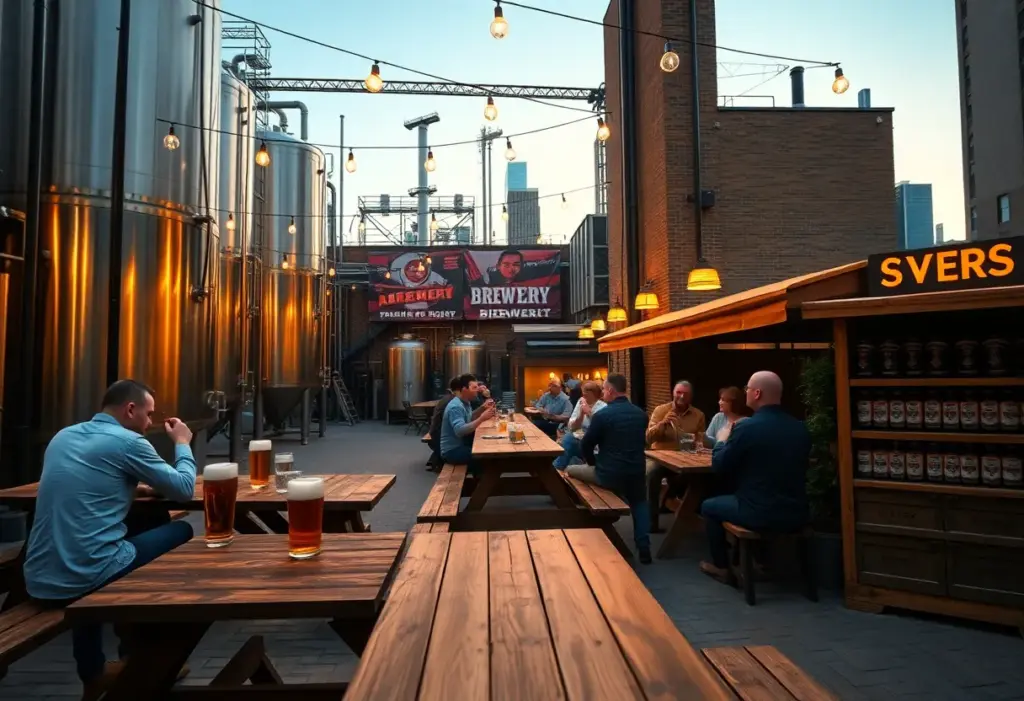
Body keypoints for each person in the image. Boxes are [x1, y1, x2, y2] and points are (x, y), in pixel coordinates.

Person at [24, 380, 197, 699]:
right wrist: (183, 443)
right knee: (181, 530)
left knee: (116, 534)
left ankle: (96, 671)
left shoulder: (63, 436)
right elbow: (185, 489)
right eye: (148, 415)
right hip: (83, 577)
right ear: (130, 410)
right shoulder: (130, 442)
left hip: (38, 577)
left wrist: (138, 489)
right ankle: (144, 656)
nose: (149, 424)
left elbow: (91, 489)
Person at [699, 371, 811, 582]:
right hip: (796, 512)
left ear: (757, 393)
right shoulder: (800, 428)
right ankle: (762, 559)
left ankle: (722, 568)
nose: (746, 393)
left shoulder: (746, 428)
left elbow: (720, 464)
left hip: (757, 512)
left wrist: (722, 442)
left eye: (747, 389)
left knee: (709, 506)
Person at [572, 374, 652, 564]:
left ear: (610, 390)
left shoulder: (603, 415)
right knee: (639, 502)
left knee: (569, 470)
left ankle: (588, 521)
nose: (603, 394)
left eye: (605, 390)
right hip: (636, 472)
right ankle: (644, 547)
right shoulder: (641, 414)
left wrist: (592, 463)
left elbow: (586, 445)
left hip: (607, 474)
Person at [645, 381, 707, 532]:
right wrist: (663, 423)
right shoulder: (661, 410)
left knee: (697, 478)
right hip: (660, 457)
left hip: (684, 458)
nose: (681, 396)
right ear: (673, 393)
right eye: (679, 392)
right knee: (652, 474)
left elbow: (701, 440)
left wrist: (697, 444)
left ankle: (672, 503)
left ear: (691, 396)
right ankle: (652, 522)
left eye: (685, 394)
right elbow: (648, 438)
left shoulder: (698, 415)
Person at [440, 373, 496, 474]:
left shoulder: (465, 402)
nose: (477, 390)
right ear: (464, 389)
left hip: (461, 446)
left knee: (487, 455)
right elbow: (460, 431)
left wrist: (483, 407)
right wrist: (481, 419)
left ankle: (482, 484)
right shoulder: (455, 406)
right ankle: (482, 488)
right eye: (474, 387)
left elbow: (469, 418)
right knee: (487, 459)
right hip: (452, 451)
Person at [553, 381, 606, 469]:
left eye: (585, 393)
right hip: (580, 436)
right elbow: (572, 427)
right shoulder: (581, 401)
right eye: (583, 392)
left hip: (594, 444)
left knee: (569, 440)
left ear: (593, 393)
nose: (583, 395)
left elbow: (600, 428)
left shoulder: (603, 407)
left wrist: (589, 412)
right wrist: (581, 415)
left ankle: (556, 468)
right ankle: (557, 468)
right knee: (569, 439)